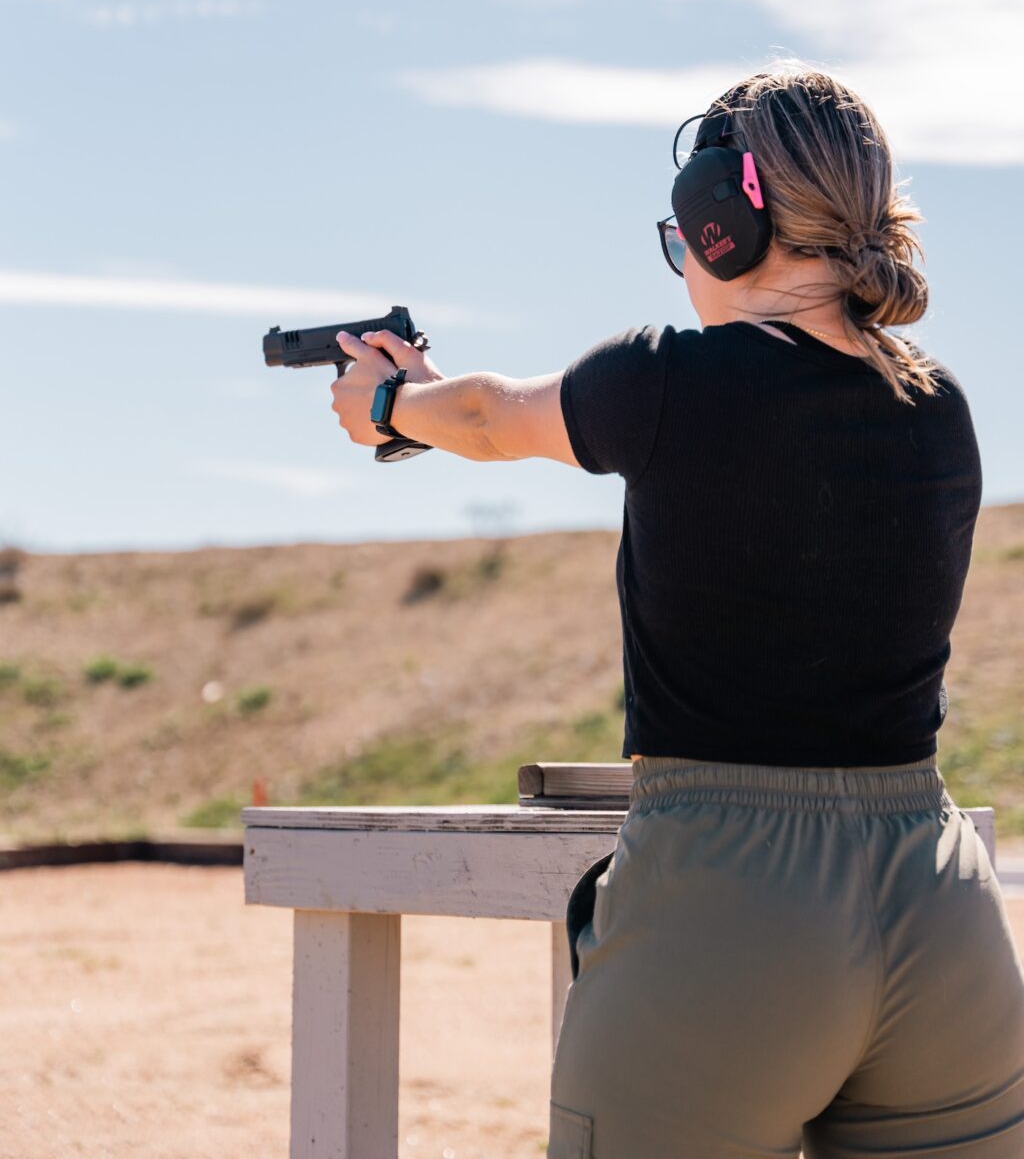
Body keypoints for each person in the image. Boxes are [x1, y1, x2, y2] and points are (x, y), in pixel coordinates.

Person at [330, 61, 1024, 1158]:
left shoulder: (665, 381)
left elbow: (482, 412)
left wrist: (381, 405)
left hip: (729, 916)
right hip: (941, 914)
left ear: (718, 222)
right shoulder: (937, 408)